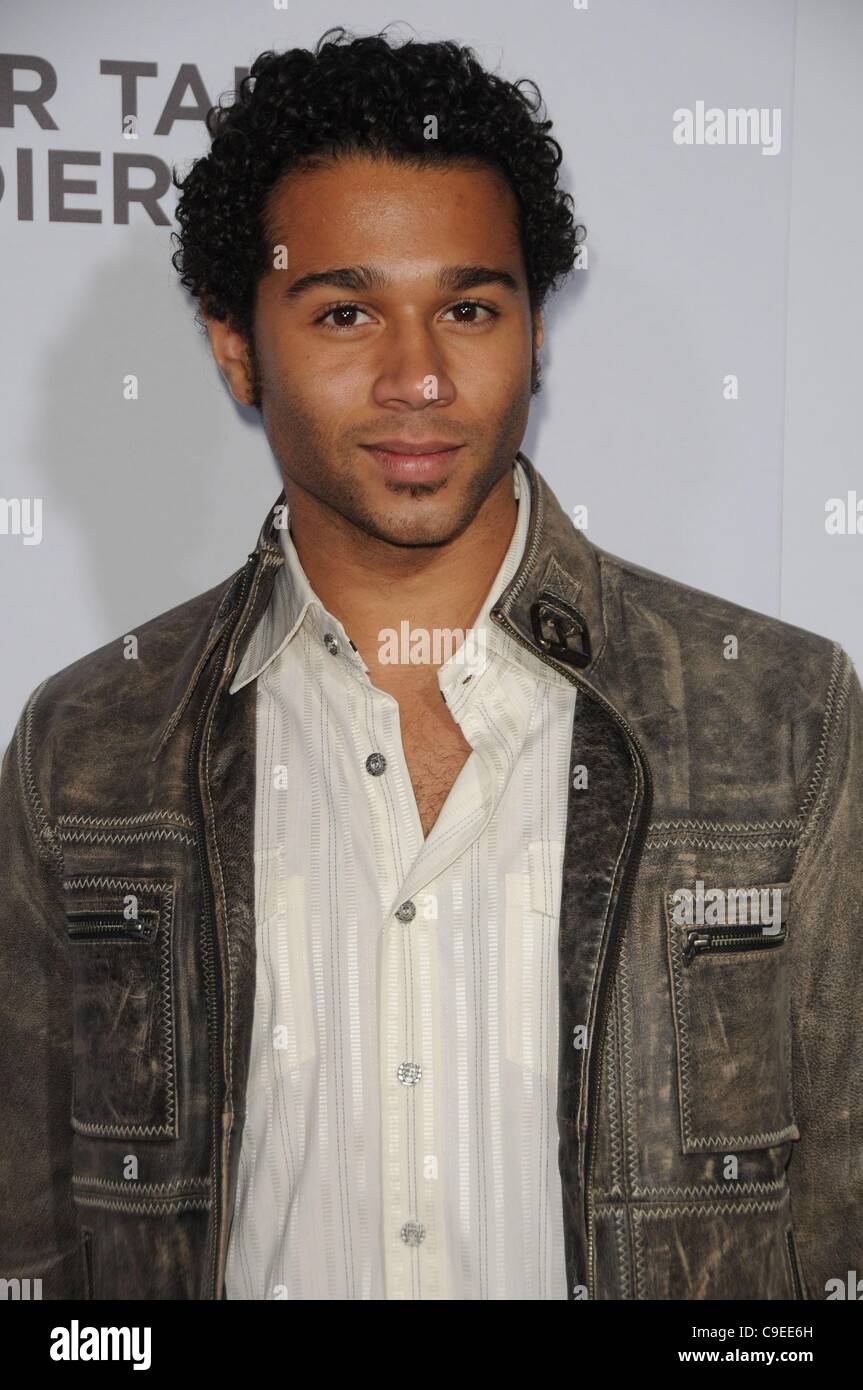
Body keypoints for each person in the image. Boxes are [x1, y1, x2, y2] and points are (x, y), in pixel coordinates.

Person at [1, 25, 860, 1302]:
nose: (418, 377)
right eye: (344, 311)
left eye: (467, 307)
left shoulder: (778, 719)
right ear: (236, 347)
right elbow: (34, 1237)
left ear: (533, 333)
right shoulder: (89, 743)